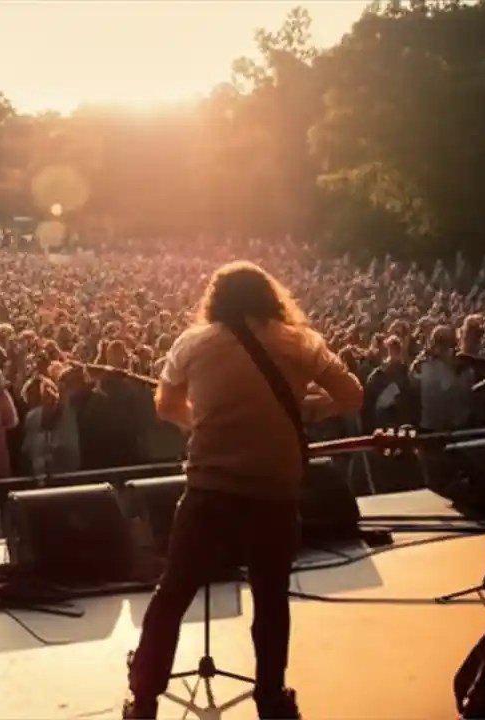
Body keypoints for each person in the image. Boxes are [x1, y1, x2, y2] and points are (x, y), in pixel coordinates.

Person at [123, 261, 364, 720]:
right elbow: (352, 395)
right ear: (271, 297)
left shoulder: (194, 342)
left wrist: (210, 418)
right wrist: (308, 410)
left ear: (215, 300)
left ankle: (145, 701)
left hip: (210, 489)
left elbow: (166, 404)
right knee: (271, 600)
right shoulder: (301, 343)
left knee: (172, 594)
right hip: (274, 493)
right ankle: (271, 699)